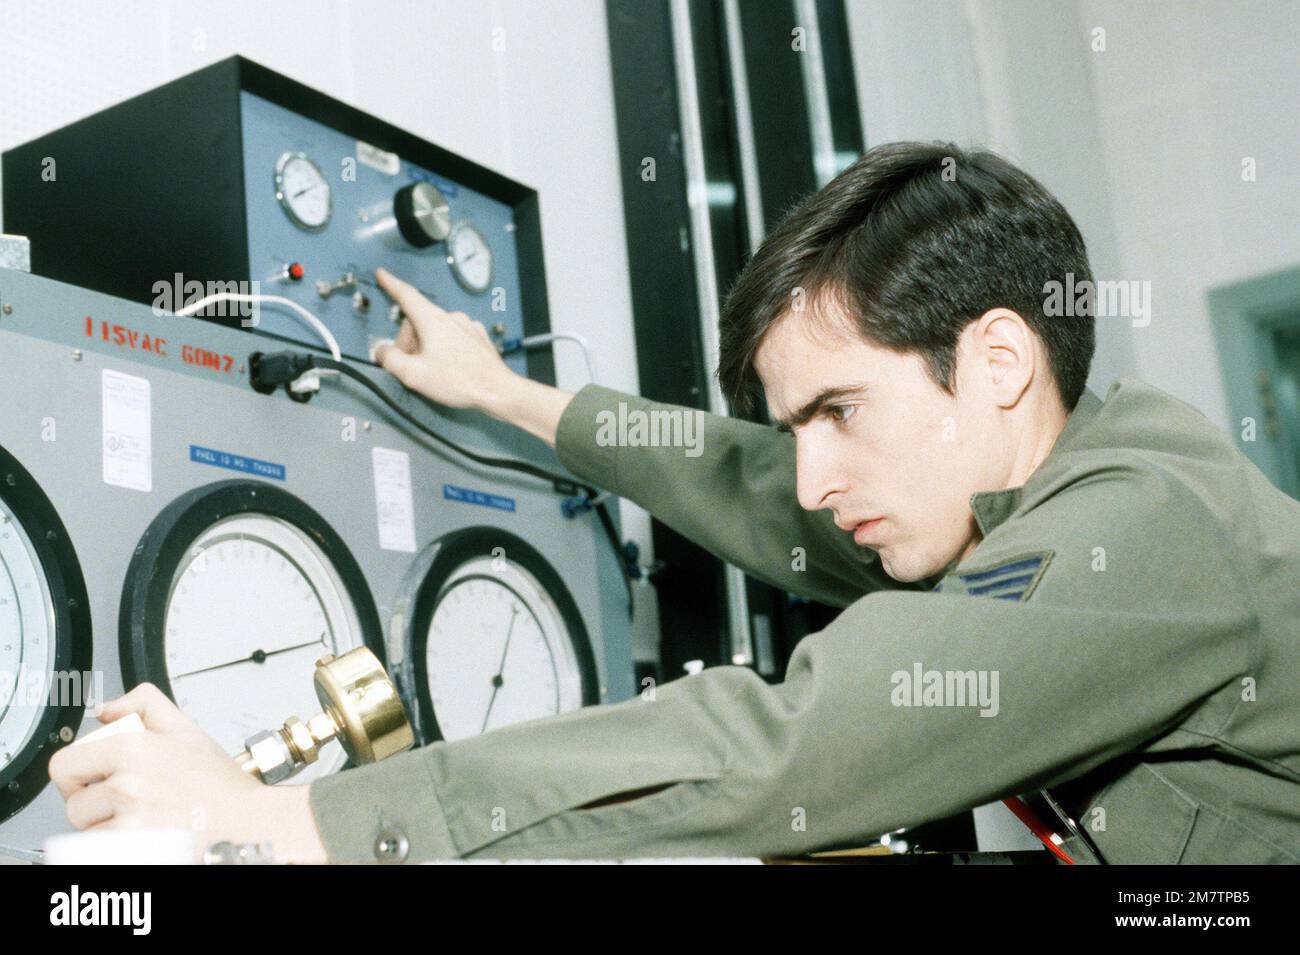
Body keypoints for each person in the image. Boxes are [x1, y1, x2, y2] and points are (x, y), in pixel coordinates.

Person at [49, 143, 1300, 864]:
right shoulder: (1016, 482)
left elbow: (789, 741)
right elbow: (738, 478)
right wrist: (501, 394)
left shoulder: (1137, 532)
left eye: (838, 413)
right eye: (794, 424)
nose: (812, 480)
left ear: (995, 363)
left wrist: (291, 822)